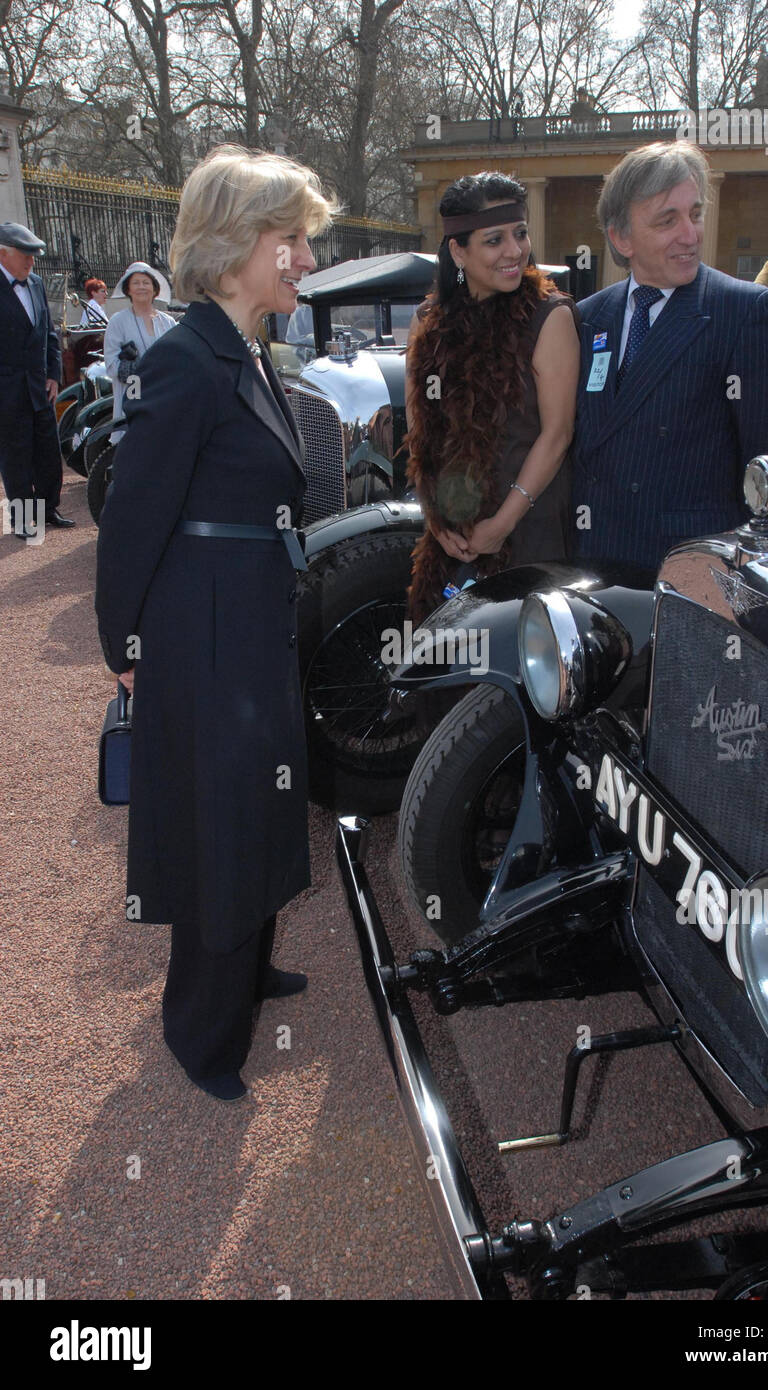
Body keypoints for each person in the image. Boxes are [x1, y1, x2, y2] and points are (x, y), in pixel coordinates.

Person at [95, 145, 332, 1102]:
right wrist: (128, 651)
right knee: (224, 817)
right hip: (203, 628)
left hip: (248, 614)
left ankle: (247, 958)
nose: (306, 261)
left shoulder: (246, 347)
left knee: (262, 803)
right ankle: (203, 1028)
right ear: (238, 245)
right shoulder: (186, 359)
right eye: (293, 242)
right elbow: (132, 517)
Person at [573, 141, 768, 574]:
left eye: (694, 214)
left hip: (688, 574)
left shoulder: (742, 311)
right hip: (594, 567)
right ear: (621, 238)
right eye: (667, 220)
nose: (691, 235)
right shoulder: (588, 317)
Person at [405, 172, 580, 622]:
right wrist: (435, 520)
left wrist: (499, 527)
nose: (514, 251)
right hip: (451, 540)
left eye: (520, 234)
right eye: (494, 239)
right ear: (458, 251)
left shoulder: (550, 317)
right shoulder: (427, 320)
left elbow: (557, 435)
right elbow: (420, 432)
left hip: (527, 534)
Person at [0, 220, 74, 537]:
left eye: (33, 255)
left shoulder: (36, 284)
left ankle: (47, 510)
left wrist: (54, 376)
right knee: (16, 455)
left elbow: (50, 334)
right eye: (25, 254)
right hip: (6, 389)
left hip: (40, 386)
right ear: (3, 254)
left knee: (47, 451)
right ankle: (20, 520)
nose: (31, 261)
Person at [102, 262, 176, 439]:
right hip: (133, 400)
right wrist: (134, 368)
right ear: (128, 289)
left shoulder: (168, 322)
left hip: (164, 397)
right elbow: (112, 365)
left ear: (154, 288)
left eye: (146, 282)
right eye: (136, 283)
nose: (141, 287)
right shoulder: (117, 322)